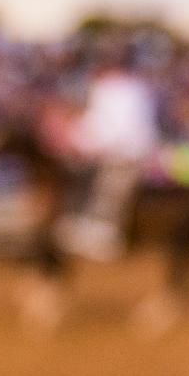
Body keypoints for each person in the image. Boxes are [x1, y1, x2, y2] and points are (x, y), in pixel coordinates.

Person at [57, 49, 160, 260]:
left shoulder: (124, 90)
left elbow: (119, 129)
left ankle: (106, 233)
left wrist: (85, 141)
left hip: (125, 153)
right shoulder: (113, 89)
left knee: (112, 184)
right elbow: (98, 124)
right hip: (106, 150)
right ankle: (78, 224)